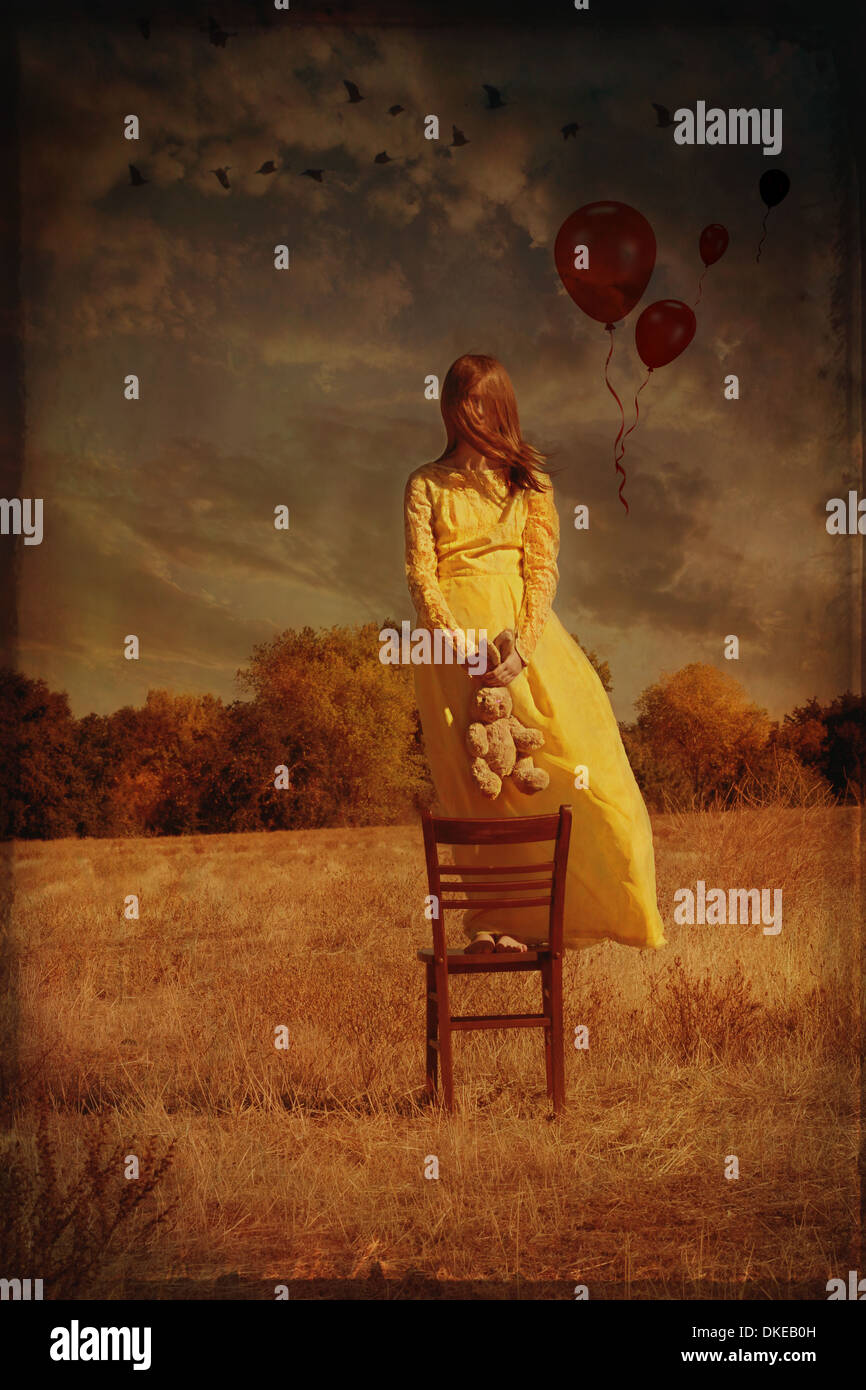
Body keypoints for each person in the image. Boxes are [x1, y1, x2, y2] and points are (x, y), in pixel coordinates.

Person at [403, 353, 666, 955]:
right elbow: (422, 578)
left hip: (528, 643)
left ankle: (607, 904)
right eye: (460, 401)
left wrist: (520, 649)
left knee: (579, 765)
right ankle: (496, 923)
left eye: (481, 401)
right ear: (448, 407)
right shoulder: (425, 483)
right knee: (480, 791)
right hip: (450, 657)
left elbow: (541, 571)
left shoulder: (532, 483)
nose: (470, 413)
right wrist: (455, 644)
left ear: (500, 407)